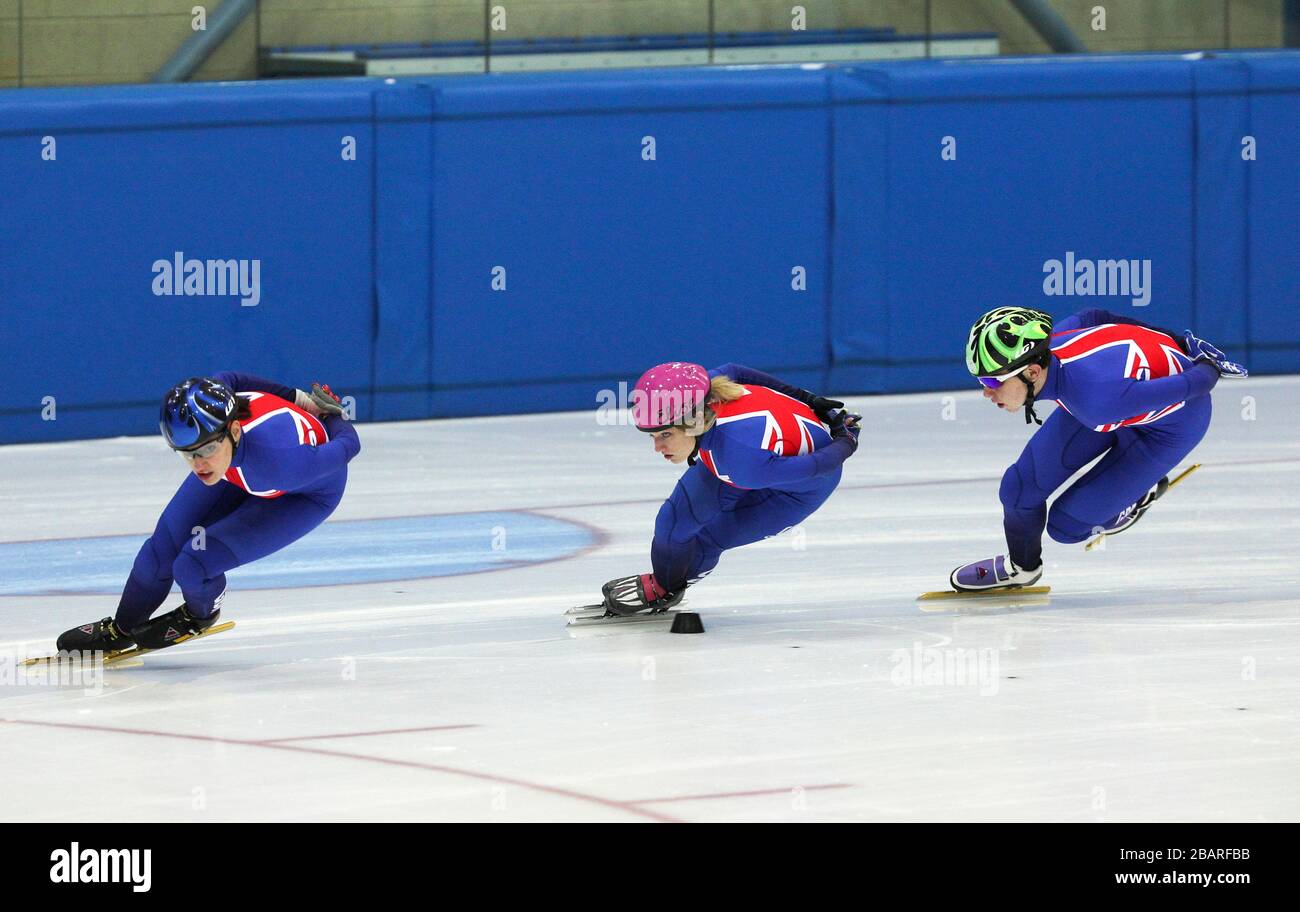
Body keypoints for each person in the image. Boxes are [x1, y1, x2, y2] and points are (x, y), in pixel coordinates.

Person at [55, 372, 360, 653]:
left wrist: (332, 414)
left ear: (236, 430)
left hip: (303, 495)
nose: (198, 464)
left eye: (206, 450)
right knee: (159, 553)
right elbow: (231, 376)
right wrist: (299, 397)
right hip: (237, 468)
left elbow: (350, 444)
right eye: (187, 454)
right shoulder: (214, 404)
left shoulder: (281, 465)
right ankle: (120, 630)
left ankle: (200, 615)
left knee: (193, 565)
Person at [951, 306, 1246, 592]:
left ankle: (1135, 495)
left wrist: (1208, 365)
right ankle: (1022, 567)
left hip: (1169, 427)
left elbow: (1190, 387)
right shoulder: (1054, 345)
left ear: (1032, 372)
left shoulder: (1096, 403)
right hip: (1117, 395)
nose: (986, 392)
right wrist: (1179, 339)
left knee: (1066, 527)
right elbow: (1095, 316)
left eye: (992, 380)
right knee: (1019, 488)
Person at [600, 362, 860, 615]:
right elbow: (735, 370)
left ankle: (669, 590)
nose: (657, 448)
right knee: (672, 523)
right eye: (653, 436)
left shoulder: (742, 463)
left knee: (708, 541)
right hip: (752, 455)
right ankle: (663, 585)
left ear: (695, 421)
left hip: (796, 489)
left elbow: (818, 466)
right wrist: (807, 397)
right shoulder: (703, 390)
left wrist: (846, 440)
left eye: (666, 435)